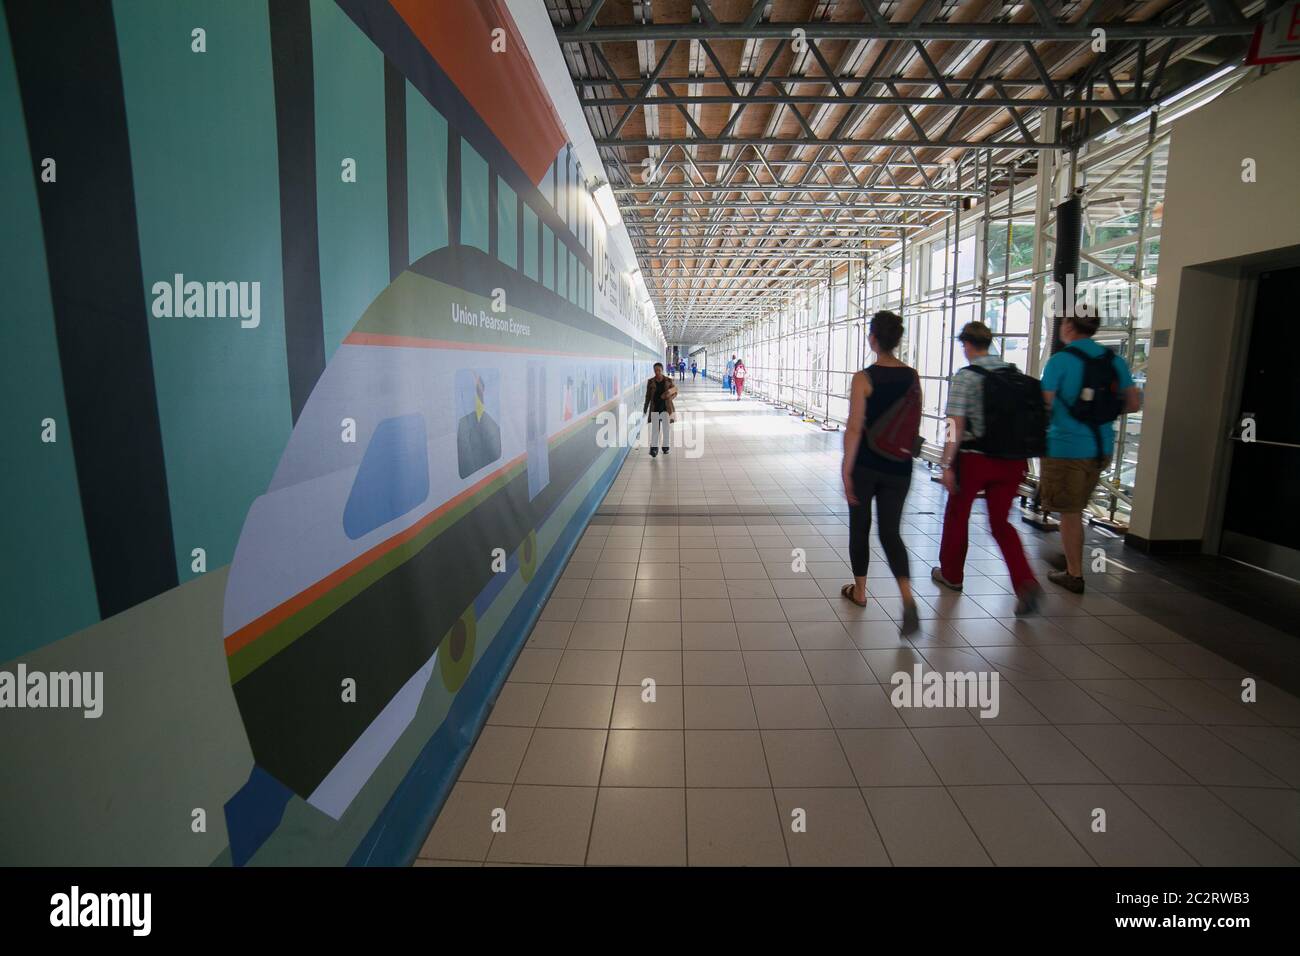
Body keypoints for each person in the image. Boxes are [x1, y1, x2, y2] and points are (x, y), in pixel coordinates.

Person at [932, 322, 1043, 615]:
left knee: (958, 514)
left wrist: (946, 464)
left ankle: (952, 575)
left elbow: (955, 425)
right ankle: (1025, 581)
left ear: (967, 345)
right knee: (1001, 524)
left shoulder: (966, 377)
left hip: (975, 459)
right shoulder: (1015, 375)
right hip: (1013, 461)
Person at [1040, 314, 1141, 592]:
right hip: (1101, 447)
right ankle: (1070, 554)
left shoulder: (1060, 361)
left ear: (1070, 327)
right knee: (1076, 508)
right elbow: (1133, 403)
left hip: (1065, 448)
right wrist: (1100, 412)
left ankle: (1074, 574)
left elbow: (1044, 404)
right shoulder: (1114, 361)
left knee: (1070, 513)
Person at [840, 311, 920, 636]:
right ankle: (907, 597)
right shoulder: (912, 376)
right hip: (900, 467)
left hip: (866, 467)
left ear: (872, 339)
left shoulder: (863, 378)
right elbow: (913, 423)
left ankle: (860, 591)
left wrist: (846, 469)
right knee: (891, 533)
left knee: (860, 527)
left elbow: (855, 427)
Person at [643, 362, 677, 457]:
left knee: (666, 429)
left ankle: (665, 448)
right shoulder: (651, 382)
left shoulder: (668, 381)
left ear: (662, 370)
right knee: (655, 430)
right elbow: (648, 396)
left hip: (666, 408)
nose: (657, 372)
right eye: (655, 370)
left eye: (659, 370)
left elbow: (675, 392)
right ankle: (654, 449)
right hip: (655, 408)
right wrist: (645, 406)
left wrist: (669, 396)